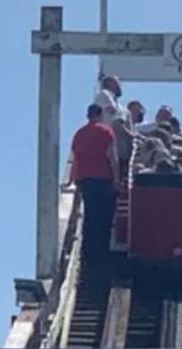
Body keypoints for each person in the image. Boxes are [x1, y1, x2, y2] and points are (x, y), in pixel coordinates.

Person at [70, 104, 119, 265]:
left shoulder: (79, 134)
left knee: (90, 212)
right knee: (104, 214)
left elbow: (75, 159)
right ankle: (101, 250)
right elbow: (112, 157)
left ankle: (88, 249)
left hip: (84, 178)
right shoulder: (106, 132)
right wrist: (116, 179)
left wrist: (71, 179)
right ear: (100, 115)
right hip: (102, 177)